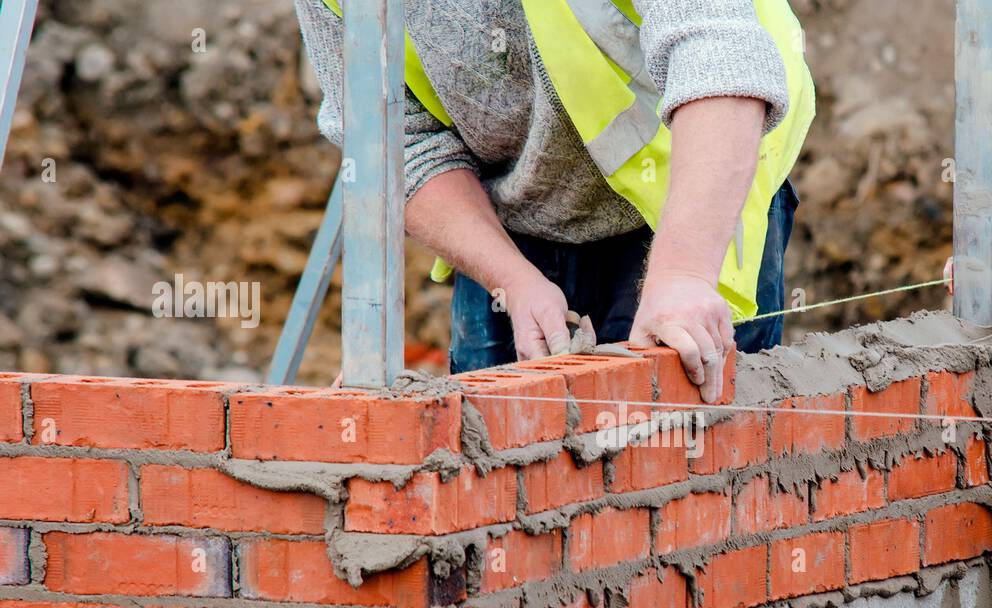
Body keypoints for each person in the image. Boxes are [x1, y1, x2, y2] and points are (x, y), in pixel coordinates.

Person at [295, 0, 814, 402]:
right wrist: (513, 282)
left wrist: (683, 276)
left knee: (690, 464)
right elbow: (397, 142)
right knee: (491, 476)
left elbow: (718, 54)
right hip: (512, 217)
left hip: (695, 187)